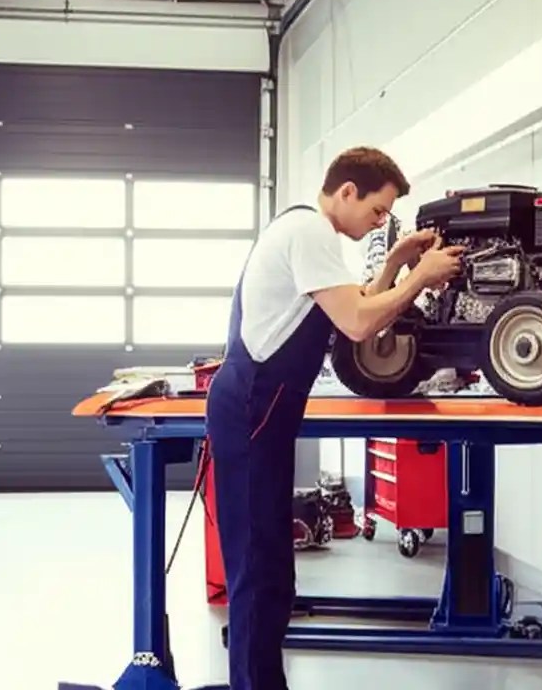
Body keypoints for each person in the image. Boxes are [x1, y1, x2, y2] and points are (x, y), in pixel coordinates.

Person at [205, 147, 463, 690]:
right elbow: (356, 323)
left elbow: (353, 300)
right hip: (253, 405)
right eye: (377, 211)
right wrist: (421, 279)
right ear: (347, 192)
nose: (377, 221)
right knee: (257, 567)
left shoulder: (308, 232)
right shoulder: (310, 233)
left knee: (272, 567)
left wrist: (395, 262)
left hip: (259, 408)